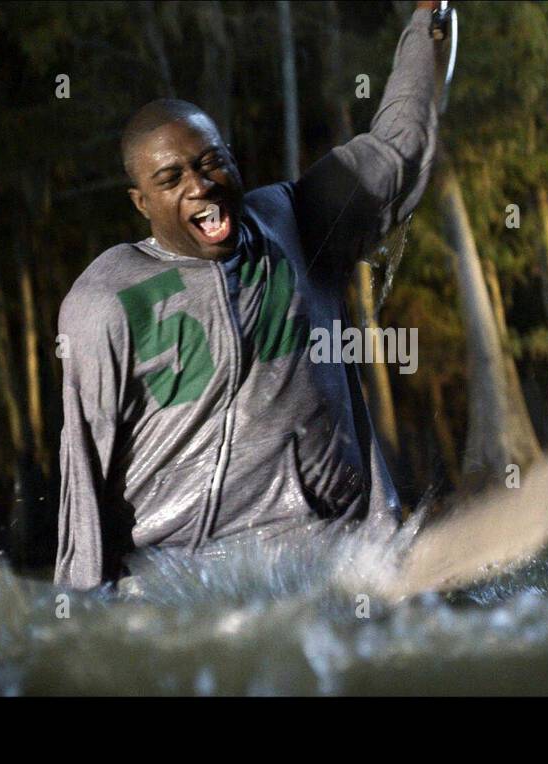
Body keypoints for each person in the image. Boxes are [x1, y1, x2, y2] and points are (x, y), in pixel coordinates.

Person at [54, 3, 441, 589]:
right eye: (172, 178)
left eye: (212, 163)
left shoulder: (296, 220)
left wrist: (427, 22)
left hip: (337, 553)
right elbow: (84, 465)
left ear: (233, 162)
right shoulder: (107, 299)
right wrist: (82, 613)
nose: (200, 184)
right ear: (141, 203)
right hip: (187, 578)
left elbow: (399, 144)